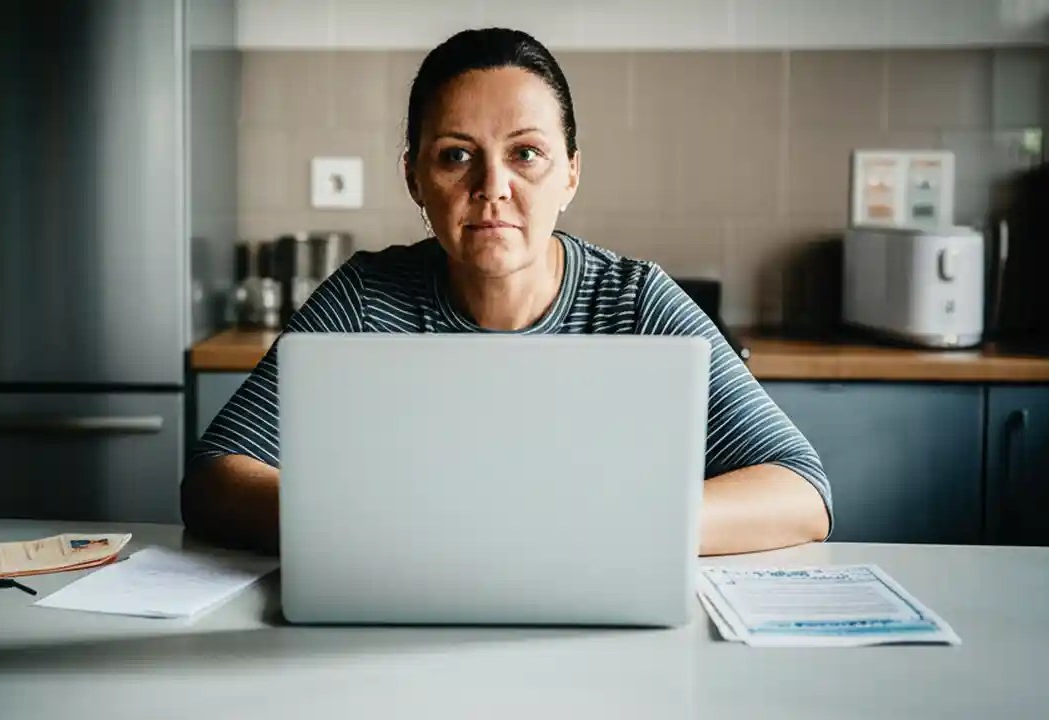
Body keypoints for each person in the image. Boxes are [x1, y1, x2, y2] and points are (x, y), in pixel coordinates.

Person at [183, 28, 832, 557]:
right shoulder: (364, 300)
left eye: (526, 154)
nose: (492, 186)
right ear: (414, 177)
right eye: (456, 156)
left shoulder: (636, 302)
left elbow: (801, 492)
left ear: (570, 174)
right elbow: (215, 478)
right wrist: (373, 529)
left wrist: (614, 527)